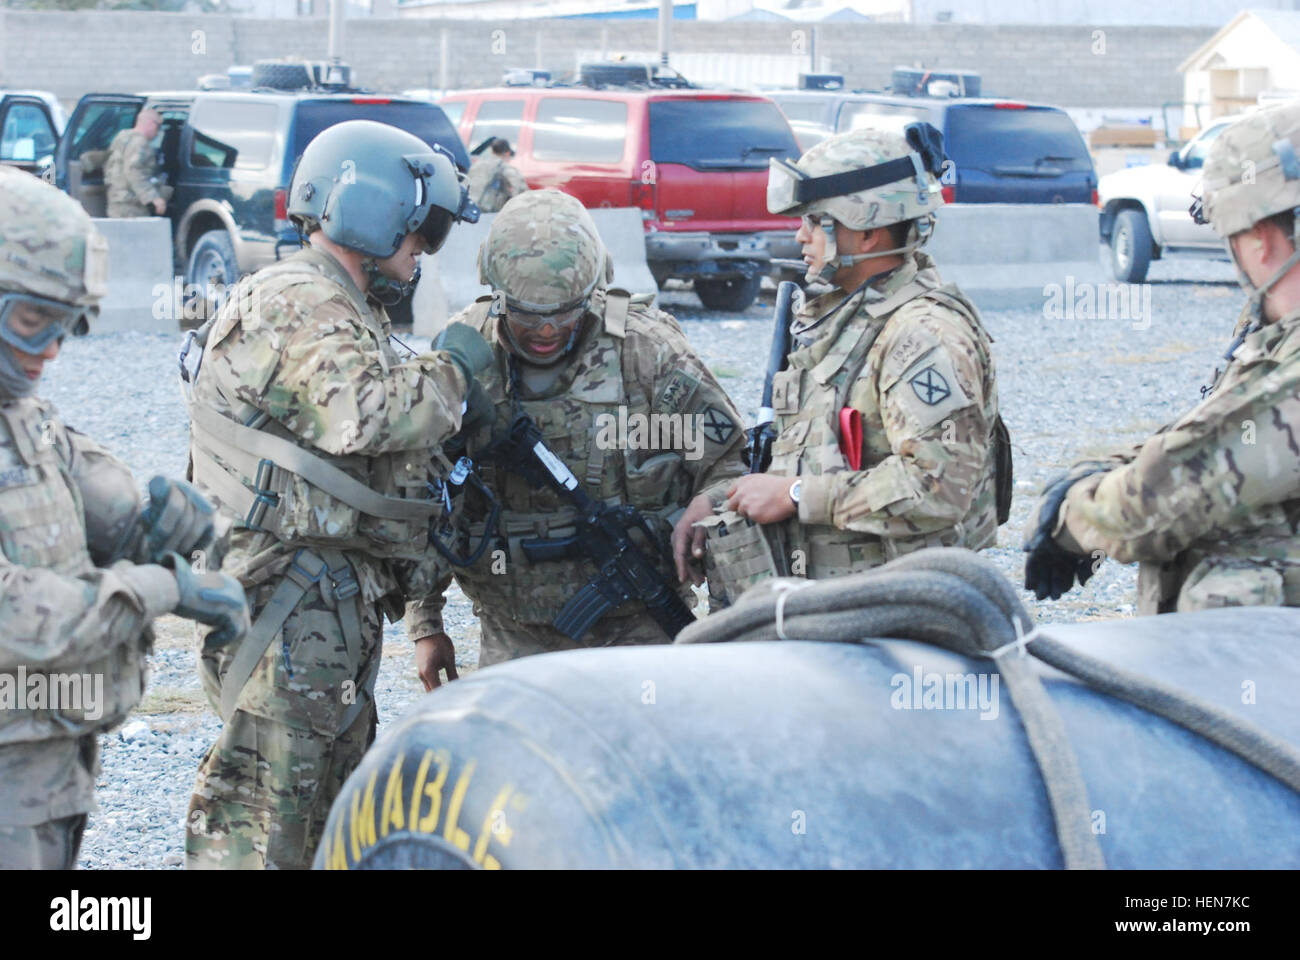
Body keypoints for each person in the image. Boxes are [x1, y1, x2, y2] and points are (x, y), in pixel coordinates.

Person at [183, 120, 492, 870]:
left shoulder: (342, 305)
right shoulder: (297, 299)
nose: (421, 255)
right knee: (262, 825)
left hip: (323, 602)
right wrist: (458, 364)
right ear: (374, 213)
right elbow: (371, 412)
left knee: (324, 817)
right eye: (419, 237)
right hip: (285, 608)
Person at [0, 167, 248, 869]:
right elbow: (15, 617)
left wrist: (155, 529)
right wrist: (162, 589)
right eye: (29, 321)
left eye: (65, 325)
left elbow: (91, 517)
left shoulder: (26, 414)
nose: (50, 349)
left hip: (44, 766)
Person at [406, 189, 745, 677]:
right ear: (497, 298)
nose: (546, 331)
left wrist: (708, 519)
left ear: (593, 294)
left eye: (564, 313)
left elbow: (731, 468)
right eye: (527, 317)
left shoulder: (647, 354)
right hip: (513, 632)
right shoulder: (467, 354)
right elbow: (427, 489)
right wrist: (426, 623)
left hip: (638, 627)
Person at [674, 125, 1009, 603]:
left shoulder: (920, 336)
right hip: (833, 607)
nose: (800, 235)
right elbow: (808, 453)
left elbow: (938, 486)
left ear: (867, 233)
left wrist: (795, 496)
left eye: (814, 220)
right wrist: (722, 498)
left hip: (898, 613)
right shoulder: (841, 317)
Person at [1024, 100, 1300, 612]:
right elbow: (1213, 427)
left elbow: (1158, 501)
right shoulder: (1275, 335)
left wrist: (1069, 517)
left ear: (1259, 240)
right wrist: (1106, 468)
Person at [104, 109, 168, 218]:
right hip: (131, 206)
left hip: (117, 201)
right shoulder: (140, 143)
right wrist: (153, 197)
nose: (157, 133)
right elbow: (134, 171)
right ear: (152, 124)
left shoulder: (122, 137)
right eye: (158, 128)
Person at [466, 137, 529, 213]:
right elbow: (520, 192)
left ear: (492, 151)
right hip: (490, 213)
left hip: (469, 210)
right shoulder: (508, 170)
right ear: (508, 153)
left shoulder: (476, 165)